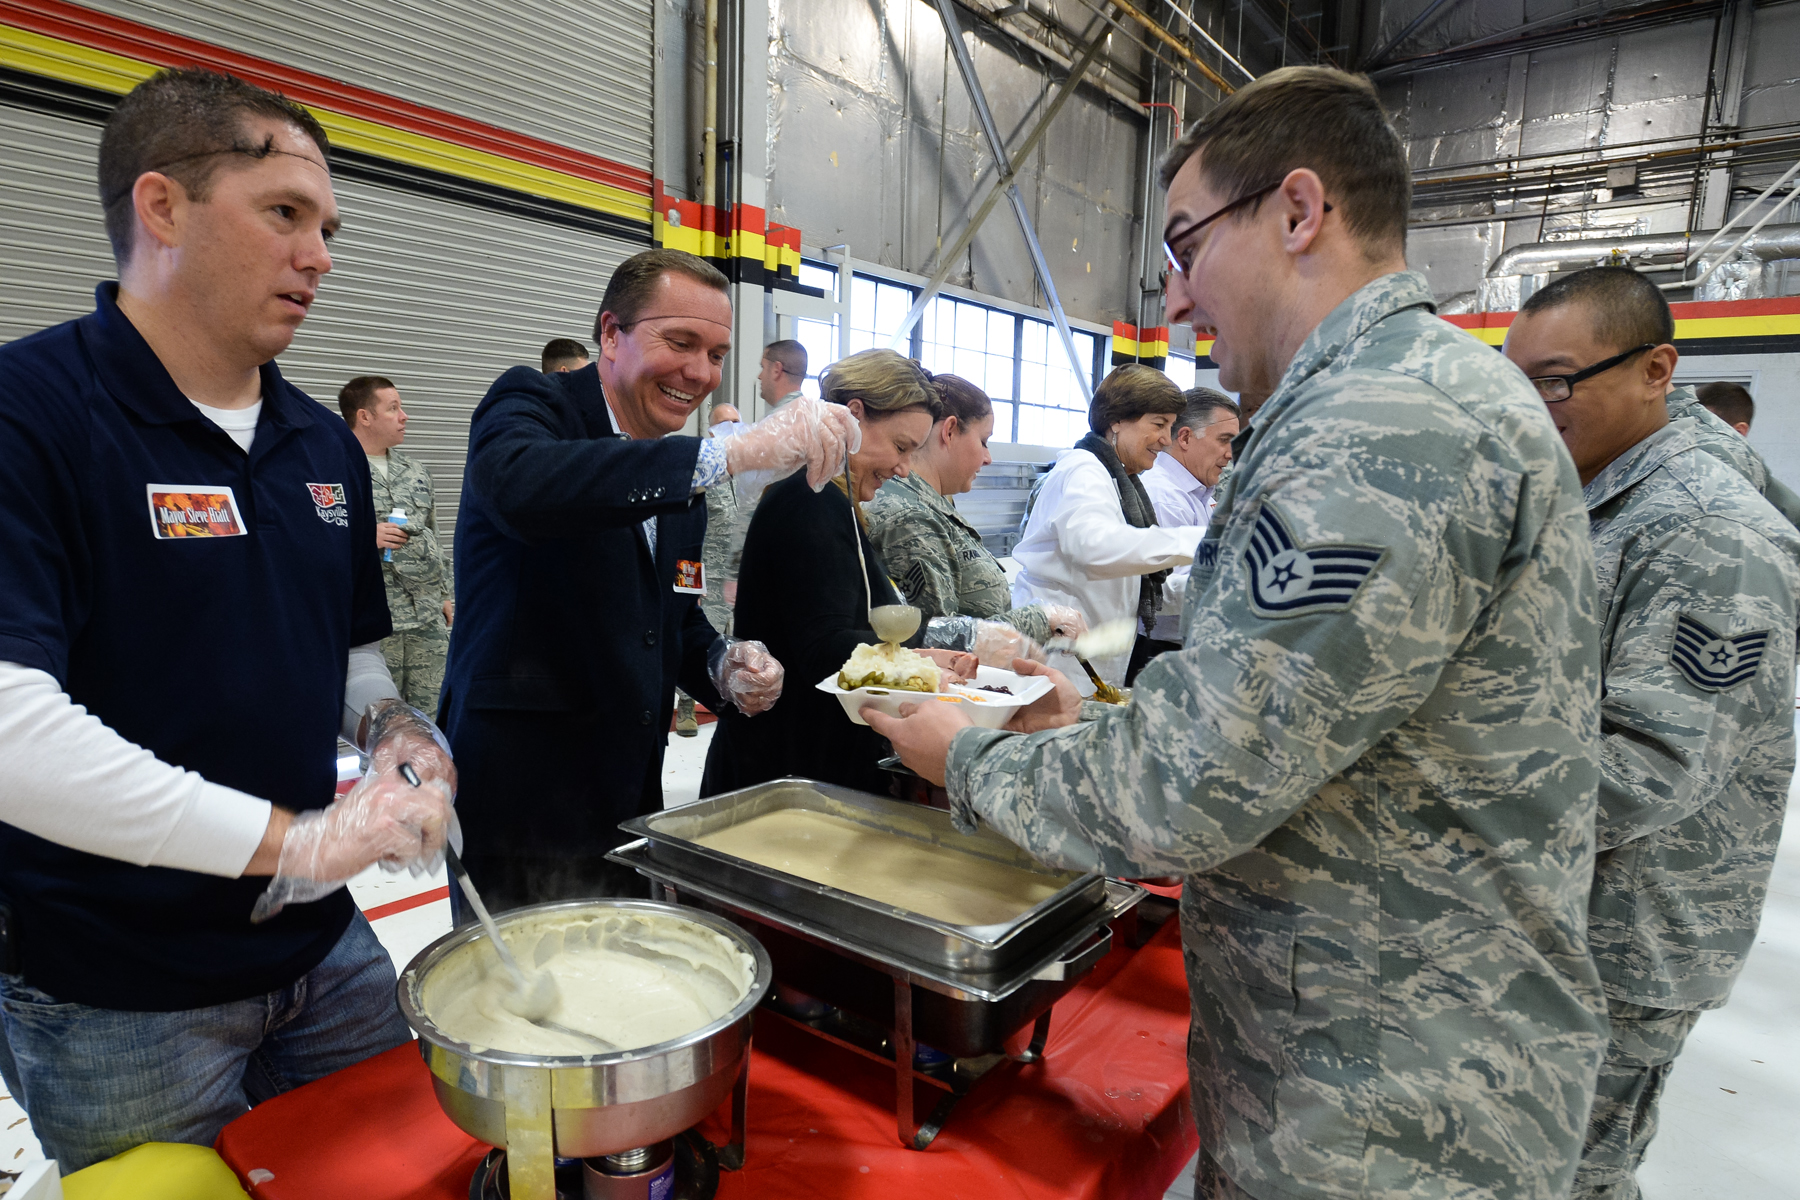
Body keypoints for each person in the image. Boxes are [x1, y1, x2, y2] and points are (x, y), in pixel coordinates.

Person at [869, 66, 1610, 1200]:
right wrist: (1085, 720)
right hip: (1382, 1053)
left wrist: (969, 756)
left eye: (1185, 245)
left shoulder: (1380, 425)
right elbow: (1288, 712)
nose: (1171, 300)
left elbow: (1188, 790)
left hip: (1388, 1100)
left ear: (1299, 211)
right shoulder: (1400, 399)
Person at [0, 68, 455, 1171]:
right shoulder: (34, 414)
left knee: (390, 1174)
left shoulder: (321, 446)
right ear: (162, 209)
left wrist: (390, 729)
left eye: (328, 226)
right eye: (285, 215)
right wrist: (296, 839)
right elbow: (12, 732)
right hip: (116, 989)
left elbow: (343, 656)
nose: (321, 256)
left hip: (319, 946)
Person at [1502, 267, 1800, 1200]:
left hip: (1626, 935)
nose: (1536, 407)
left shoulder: (1710, 533)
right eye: (1520, 384)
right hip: (1561, 907)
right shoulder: (1595, 497)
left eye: (1557, 380)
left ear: (1656, 369)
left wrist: (1443, 804)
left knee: (1568, 1171)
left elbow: (1652, 767)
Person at [440, 249, 857, 910]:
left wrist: (722, 663)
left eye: (718, 354)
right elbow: (521, 487)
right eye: (681, 342)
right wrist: (735, 451)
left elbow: (672, 618)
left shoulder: (678, 473)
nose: (700, 373)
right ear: (611, 334)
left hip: (628, 805)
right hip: (521, 806)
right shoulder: (532, 405)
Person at [702, 350, 983, 797]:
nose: (903, 467)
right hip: (785, 773)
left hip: (806, 762)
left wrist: (923, 657)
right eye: (900, 446)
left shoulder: (835, 506)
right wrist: (938, 646)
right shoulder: (810, 504)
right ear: (853, 418)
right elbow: (826, 649)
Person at [1009, 364, 1207, 691]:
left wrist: (1219, 583)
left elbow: (1135, 587)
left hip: (1089, 665)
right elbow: (1095, 548)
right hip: (1056, 663)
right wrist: (1204, 540)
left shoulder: (1120, 482)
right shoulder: (1083, 471)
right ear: (1116, 420)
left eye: (1171, 427)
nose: (1166, 439)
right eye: (1159, 424)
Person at [865, 373, 1087, 657]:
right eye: (983, 441)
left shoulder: (933, 503)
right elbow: (936, 640)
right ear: (950, 431)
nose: (988, 458)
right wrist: (1041, 620)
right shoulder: (910, 517)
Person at [340, 375, 454, 717]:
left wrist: (447, 595)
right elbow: (311, 539)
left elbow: (433, 532)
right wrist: (365, 537)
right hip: (374, 625)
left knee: (436, 718)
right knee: (380, 724)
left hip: (426, 619)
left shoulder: (416, 472)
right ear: (364, 417)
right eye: (393, 408)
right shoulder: (334, 468)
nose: (404, 415)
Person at [1133, 387, 1238, 679]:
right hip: (1161, 650)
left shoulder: (1200, 493)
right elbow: (1159, 593)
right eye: (1224, 441)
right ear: (1186, 438)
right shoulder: (1164, 496)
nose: (1230, 454)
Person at [674, 406, 744, 736]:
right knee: (701, 642)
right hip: (707, 577)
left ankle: (729, 703)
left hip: (735, 578)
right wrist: (690, 588)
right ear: (710, 428)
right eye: (725, 424)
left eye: (736, 423)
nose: (732, 429)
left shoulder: (744, 474)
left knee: (731, 645)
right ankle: (687, 708)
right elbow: (685, 537)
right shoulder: (700, 473)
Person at [758, 338, 807, 408]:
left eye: (763, 367)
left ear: (776, 370)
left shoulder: (777, 418)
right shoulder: (819, 415)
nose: (759, 376)